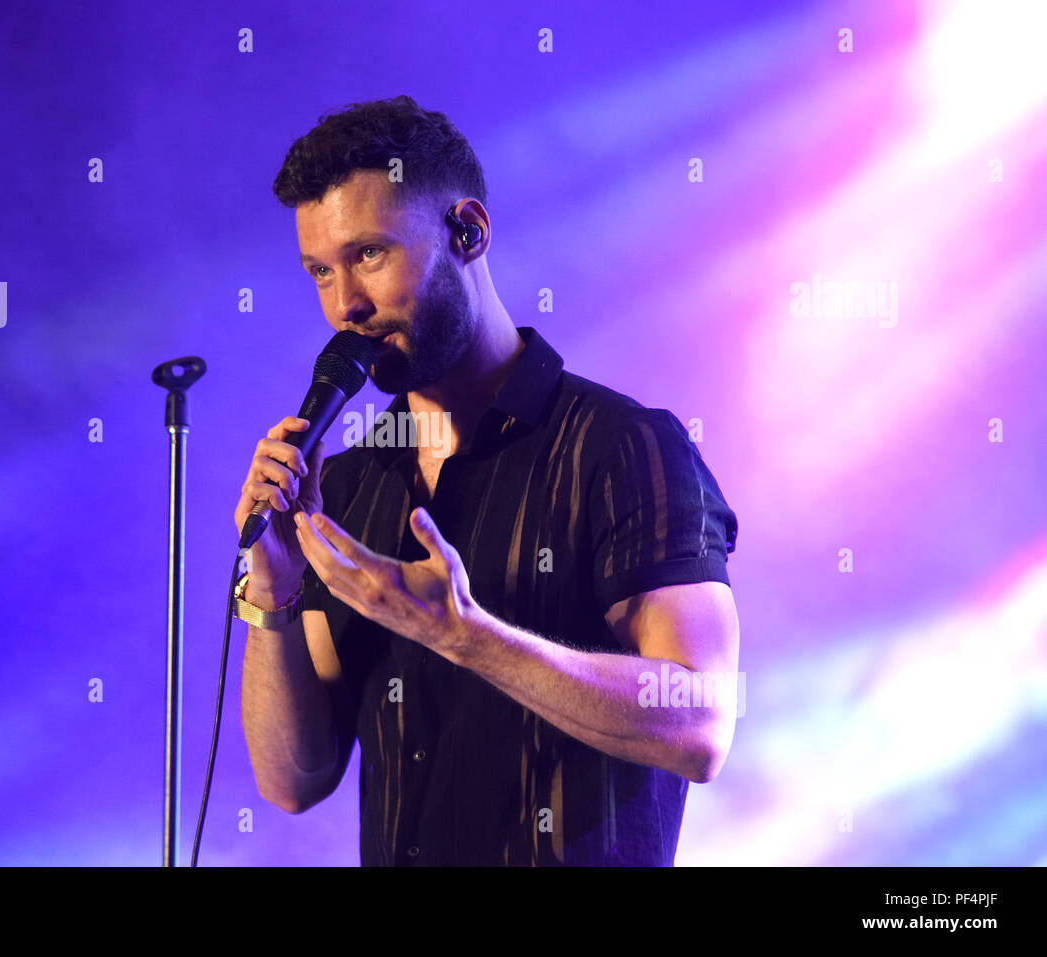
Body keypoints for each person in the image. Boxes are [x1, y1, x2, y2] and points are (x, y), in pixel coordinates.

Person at [234, 95, 739, 866]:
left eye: (369, 254)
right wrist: (272, 595)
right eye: (319, 271)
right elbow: (294, 780)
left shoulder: (622, 447)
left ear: (467, 230)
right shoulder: (350, 484)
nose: (345, 306)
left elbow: (699, 725)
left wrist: (465, 636)